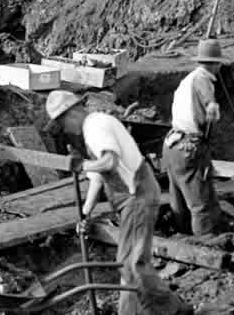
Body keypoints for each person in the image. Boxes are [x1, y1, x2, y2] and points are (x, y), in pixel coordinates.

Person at [44, 90, 191, 315]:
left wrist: (83, 165)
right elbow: (97, 177)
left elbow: (108, 162)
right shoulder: (90, 130)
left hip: (137, 194)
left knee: (131, 263)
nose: (64, 130)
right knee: (129, 266)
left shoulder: (96, 125)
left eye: (62, 124)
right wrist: (85, 213)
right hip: (129, 197)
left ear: (71, 113)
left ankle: (175, 309)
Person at [163, 39, 226, 236]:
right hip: (189, 147)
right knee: (202, 206)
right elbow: (208, 99)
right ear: (216, 63)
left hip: (172, 145)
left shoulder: (187, 80)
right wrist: (211, 106)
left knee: (179, 201)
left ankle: (183, 240)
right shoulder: (203, 79)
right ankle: (205, 246)